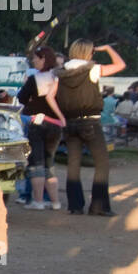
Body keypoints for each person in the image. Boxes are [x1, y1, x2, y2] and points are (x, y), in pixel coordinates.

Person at [55, 39, 125, 215]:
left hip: (69, 122)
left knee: (73, 163)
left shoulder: (61, 73)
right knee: (102, 163)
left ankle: (75, 205)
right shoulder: (92, 69)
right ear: (89, 53)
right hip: (90, 121)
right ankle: (99, 205)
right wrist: (108, 48)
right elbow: (120, 65)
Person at [17, 45, 66, 209]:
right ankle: (55, 202)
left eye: (36, 59)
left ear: (43, 59)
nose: (34, 61)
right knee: (49, 163)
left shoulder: (34, 79)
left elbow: (22, 98)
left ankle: (38, 201)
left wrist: (32, 100)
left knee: (36, 163)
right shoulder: (59, 77)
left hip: (38, 122)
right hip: (56, 125)